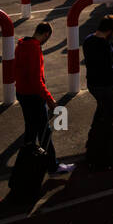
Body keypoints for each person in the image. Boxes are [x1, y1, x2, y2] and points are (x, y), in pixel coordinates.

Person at [14, 23, 74, 175]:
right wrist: (50, 100)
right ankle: (52, 167)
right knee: (44, 132)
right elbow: (36, 80)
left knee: (30, 130)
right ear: (46, 34)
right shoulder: (34, 48)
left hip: (21, 92)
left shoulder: (21, 44)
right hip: (33, 96)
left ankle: (26, 164)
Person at [81, 15, 113, 125]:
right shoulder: (104, 45)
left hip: (92, 83)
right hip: (106, 85)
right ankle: (112, 135)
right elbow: (108, 68)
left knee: (102, 106)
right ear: (110, 30)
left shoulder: (88, 39)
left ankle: (97, 129)